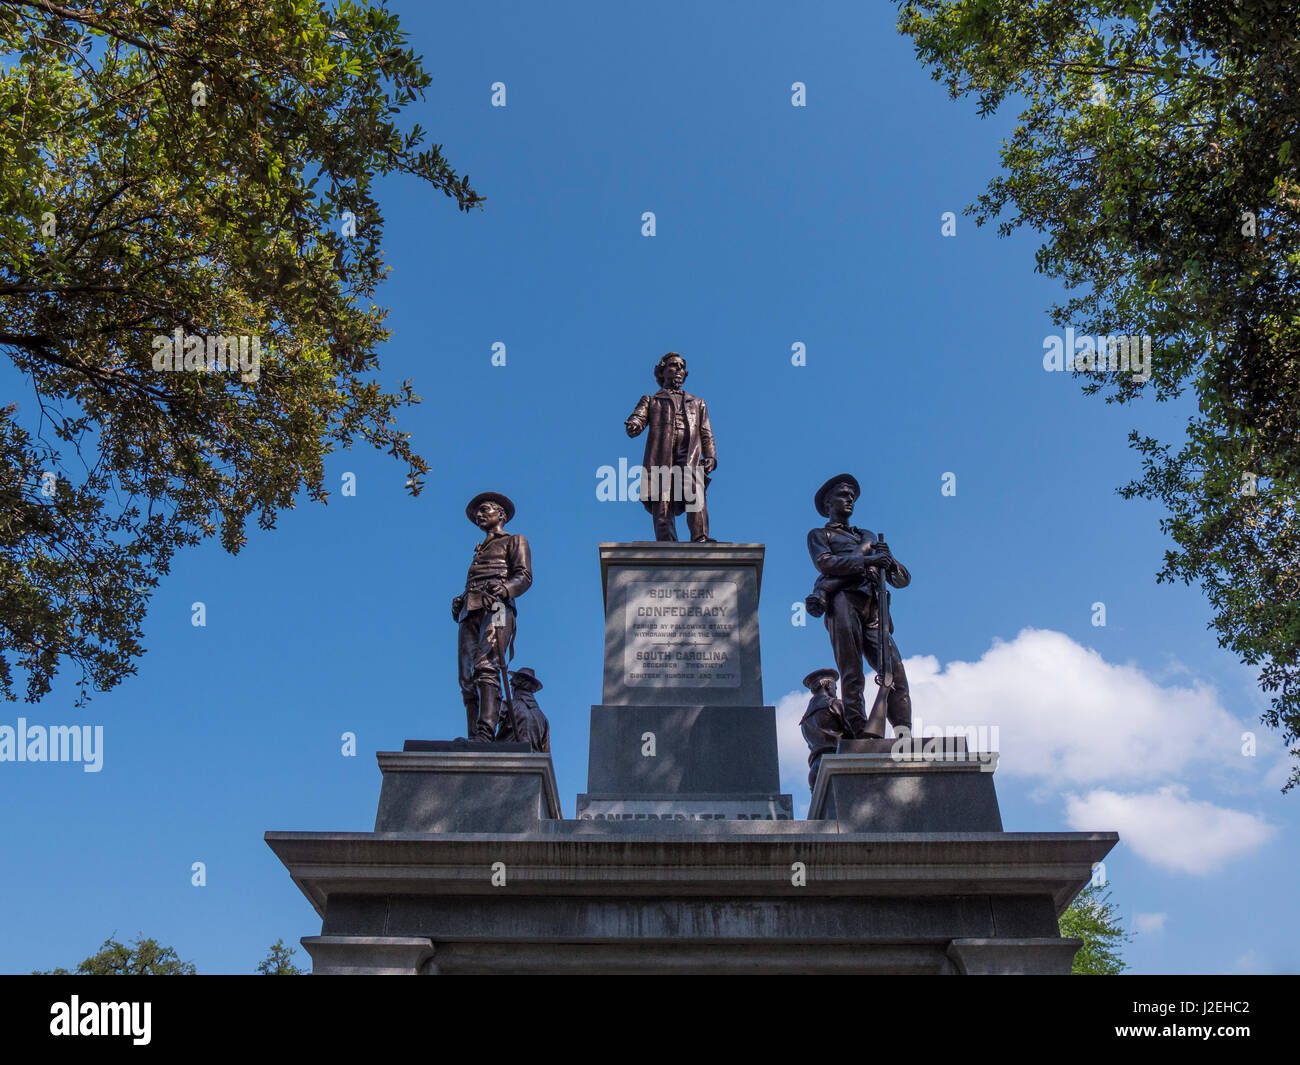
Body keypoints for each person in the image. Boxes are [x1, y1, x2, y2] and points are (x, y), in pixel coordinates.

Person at [806, 474, 912, 739]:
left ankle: (903, 733)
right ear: (828, 502)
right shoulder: (820, 534)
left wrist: (889, 563)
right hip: (843, 601)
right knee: (851, 673)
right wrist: (868, 560)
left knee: (894, 670)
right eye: (843, 495)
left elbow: (902, 579)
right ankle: (859, 731)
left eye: (852, 496)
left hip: (874, 607)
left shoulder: (867, 536)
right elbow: (825, 564)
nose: (850, 499)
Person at [452, 492, 532, 741]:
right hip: (470, 610)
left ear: (501, 514)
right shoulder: (478, 550)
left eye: (485, 509)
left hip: (498, 608)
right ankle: (473, 735)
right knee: (466, 678)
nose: (480, 514)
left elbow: (524, 576)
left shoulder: (515, 540)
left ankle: (485, 733)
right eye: (478, 512)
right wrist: (460, 600)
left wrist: (505, 589)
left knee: (486, 665)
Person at [624, 352, 717, 542]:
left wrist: (711, 456)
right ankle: (666, 544)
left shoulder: (698, 403)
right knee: (662, 500)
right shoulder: (651, 400)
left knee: (694, 489)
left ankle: (700, 538)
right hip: (661, 455)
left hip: (689, 454)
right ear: (662, 371)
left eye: (682, 367)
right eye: (674, 366)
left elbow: (706, 432)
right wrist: (634, 423)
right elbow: (639, 417)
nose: (679, 371)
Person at [800, 668, 849, 790]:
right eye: (835, 686)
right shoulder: (835, 704)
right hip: (836, 761)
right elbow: (854, 735)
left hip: (815, 770)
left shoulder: (804, 719)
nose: (836, 690)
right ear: (827, 685)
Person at [497, 667, 550, 753]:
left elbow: (488, 721)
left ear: (515, 686)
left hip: (507, 759)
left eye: (511, 686)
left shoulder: (509, 706)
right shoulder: (543, 719)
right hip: (534, 763)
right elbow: (546, 753)